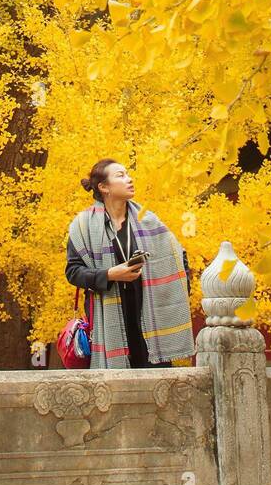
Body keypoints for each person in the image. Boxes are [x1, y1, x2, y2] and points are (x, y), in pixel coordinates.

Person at [65, 158, 194, 369]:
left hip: (150, 314)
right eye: (121, 175)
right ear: (104, 187)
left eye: (128, 174)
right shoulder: (83, 225)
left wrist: (172, 293)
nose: (129, 179)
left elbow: (179, 258)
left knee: (155, 381)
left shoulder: (148, 220)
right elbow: (73, 272)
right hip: (108, 318)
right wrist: (109, 274)